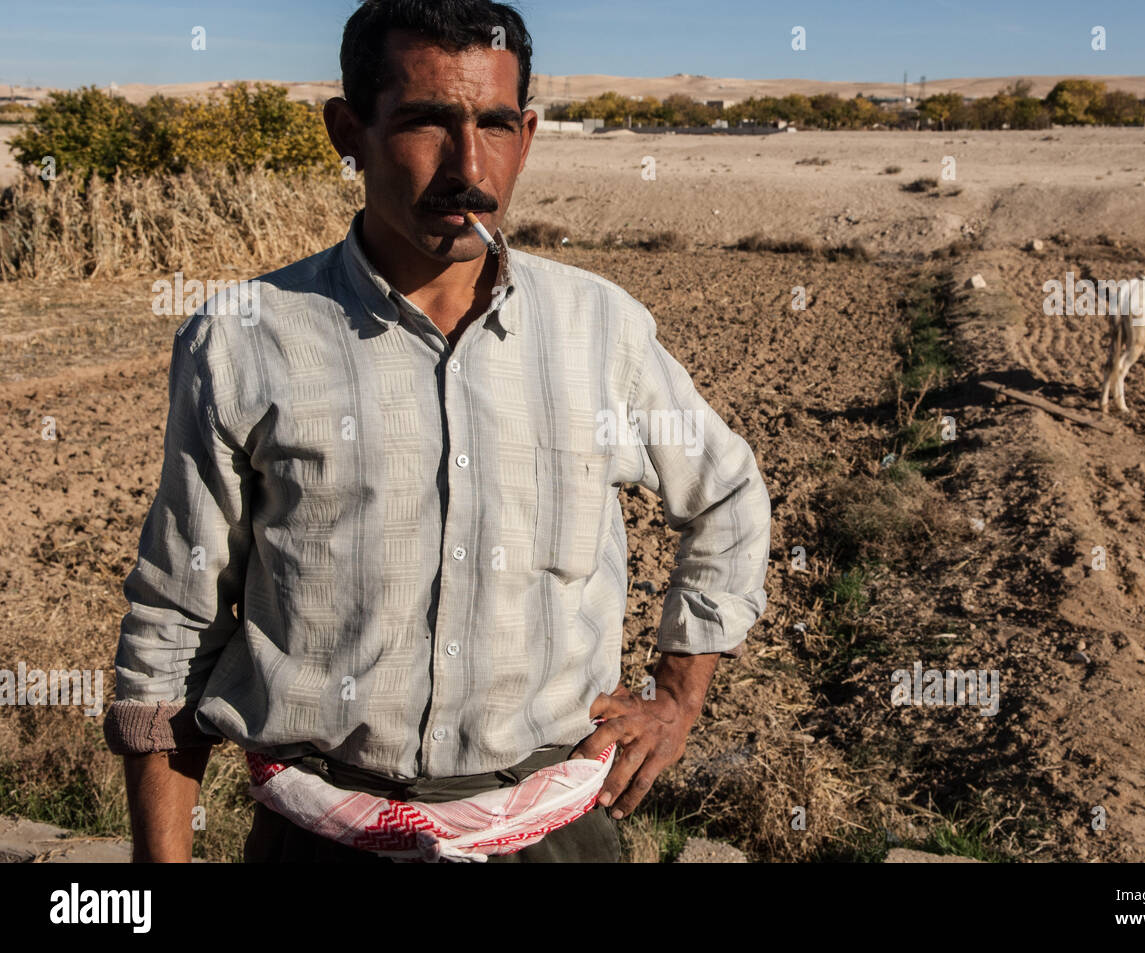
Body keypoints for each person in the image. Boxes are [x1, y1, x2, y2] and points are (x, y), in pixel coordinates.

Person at [103, 0, 771, 863]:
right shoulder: (242, 338)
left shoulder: (600, 330)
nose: (469, 166)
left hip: (553, 835)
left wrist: (677, 697)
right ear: (348, 130)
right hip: (321, 839)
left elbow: (726, 495)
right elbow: (173, 622)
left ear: (526, 134)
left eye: (495, 124)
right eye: (426, 121)